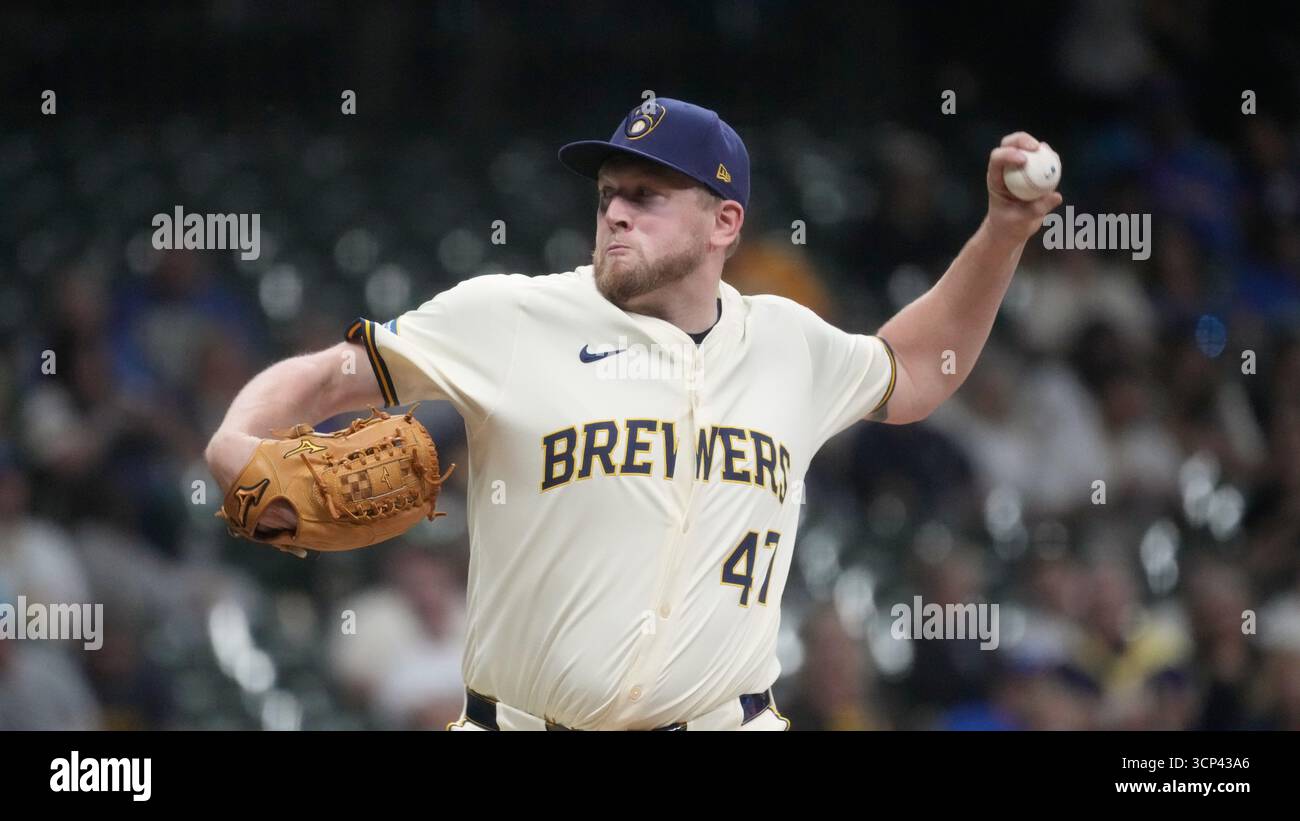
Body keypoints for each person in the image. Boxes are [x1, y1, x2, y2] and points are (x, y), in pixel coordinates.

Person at [205, 97, 1061, 730]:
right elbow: (327, 378)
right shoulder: (510, 315)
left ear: (725, 220)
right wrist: (235, 442)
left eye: (648, 195)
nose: (615, 209)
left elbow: (917, 367)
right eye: (610, 192)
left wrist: (1002, 234)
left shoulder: (788, 344)